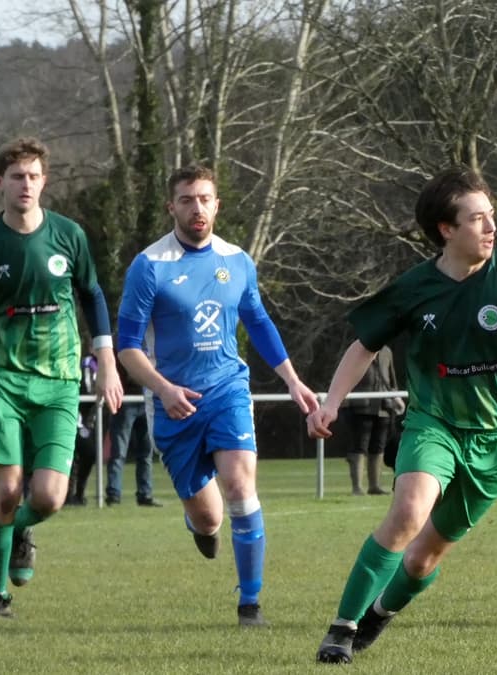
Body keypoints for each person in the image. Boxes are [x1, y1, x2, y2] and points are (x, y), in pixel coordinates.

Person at [312, 166, 497, 664]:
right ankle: (342, 629)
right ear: (446, 229)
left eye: (491, 217)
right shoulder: (414, 287)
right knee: (409, 511)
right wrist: (331, 402)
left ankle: (380, 613)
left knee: (421, 559)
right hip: (432, 423)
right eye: (477, 219)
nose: (491, 227)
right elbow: (363, 346)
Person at [115, 163, 318, 627]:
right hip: (174, 402)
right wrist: (164, 389)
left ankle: (250, 604)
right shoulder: (150, 267)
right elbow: (127, 347)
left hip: (228, 388)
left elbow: (259, 324)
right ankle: (199, 526)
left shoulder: (237, 261)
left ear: (217, 204)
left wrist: (292, 379)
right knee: (209, 519)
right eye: (187, 199)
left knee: (241, 488)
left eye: (205, 198)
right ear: (172, 206)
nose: (197, 207)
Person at [0, 137, 124, 618]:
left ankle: (19, 529)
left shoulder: (68, 235)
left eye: (34, 176)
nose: (26, 184)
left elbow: (93, 295)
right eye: (17, 176)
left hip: (59, 379)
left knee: (50, 497)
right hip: (0, 375)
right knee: (8, 489)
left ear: (45, 181)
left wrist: (107, 361)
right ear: (0, 182)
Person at [342, 344, 404, 496]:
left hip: (383, 406)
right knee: (359, 446)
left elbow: (390, 379)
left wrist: (395, 397)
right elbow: (345, 376)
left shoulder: (386, 351)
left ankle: (374, 486)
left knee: (378, 446)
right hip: (361, 405)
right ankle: (357, 487)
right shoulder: (357, 348)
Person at [105, 363, 162, 507]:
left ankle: (145, 494)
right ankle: (113, 495)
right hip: (125, 402)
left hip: (146, 402)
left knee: (146, 453)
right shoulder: (123, 344)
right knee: (119, 452)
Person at [66, 355, 102, 506]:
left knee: (88, 455)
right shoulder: (88, 363)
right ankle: (68, 495)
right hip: (77, 418)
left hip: (90, 419)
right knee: (81, 453)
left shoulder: (103, 363)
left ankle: (78, 494)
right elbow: (87, 390)